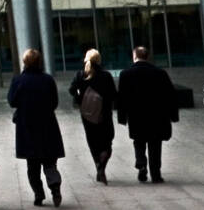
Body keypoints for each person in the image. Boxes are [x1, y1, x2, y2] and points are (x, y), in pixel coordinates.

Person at [7, 48, 66, 207]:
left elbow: (12, 101)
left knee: (32, 166)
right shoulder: (48, 80)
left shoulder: (18, 80)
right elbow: (54, 102)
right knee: (49, 162)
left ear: (24, 62)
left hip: (27, 126)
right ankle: (55, 188)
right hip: (47, 125)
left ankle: (38, 194)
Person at [117, 46, 178, 183]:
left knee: (139, 141)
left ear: (134, 56)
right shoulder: (160, 73)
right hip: (157, 116)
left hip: (136, 116)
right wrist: (173, 115)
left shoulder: (126, 74)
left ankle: (141, 163)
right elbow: (170, 95)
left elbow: (122, 98)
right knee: (155, 145)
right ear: (147, 56)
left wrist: (122, 117)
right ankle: (156, 174)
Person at [68, 48, 117, 183]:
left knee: (93, 141)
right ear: (99, 60)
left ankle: (98, 165)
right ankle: (102, 162)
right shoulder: (106, 76)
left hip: (87, 115)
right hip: (104, 114)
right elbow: (113, 94)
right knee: (107, 140)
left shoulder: (80, 75)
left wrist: (80, 99)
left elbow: (72, 90)